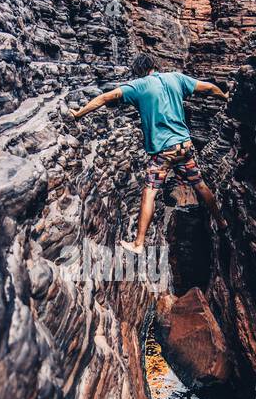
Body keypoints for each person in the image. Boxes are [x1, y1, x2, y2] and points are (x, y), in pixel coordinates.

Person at [69, 53, 228, 252]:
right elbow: (210, 88)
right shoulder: (176, 78)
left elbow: (105, 97)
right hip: (184, 147)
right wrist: (225, 96)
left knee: (149, 193)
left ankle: (138, 244)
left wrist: (78, 114)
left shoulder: (138, 86)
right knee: (200, 185)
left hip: (163, 153)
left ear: (138, 71)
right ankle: (221, 221)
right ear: (154, 65)